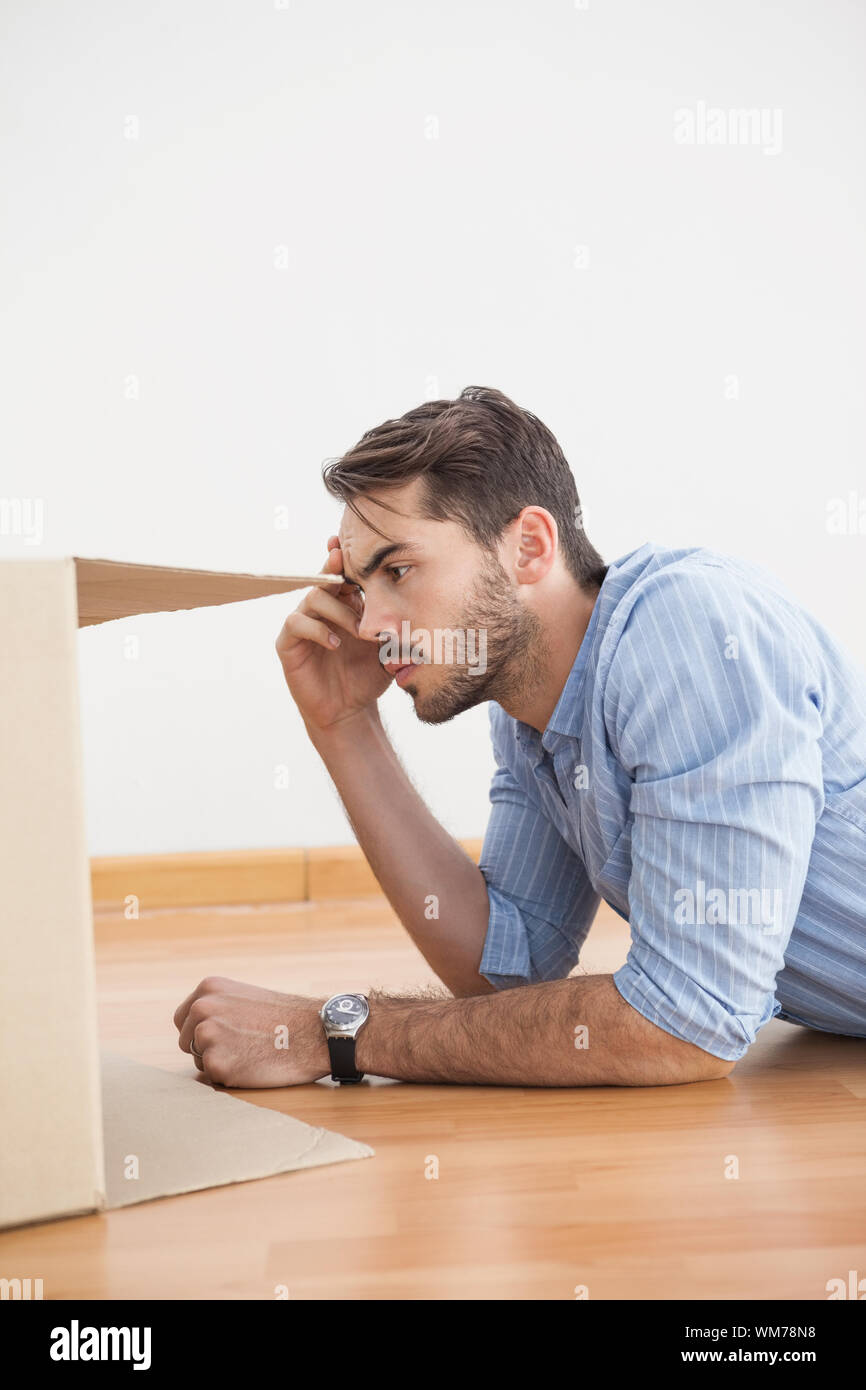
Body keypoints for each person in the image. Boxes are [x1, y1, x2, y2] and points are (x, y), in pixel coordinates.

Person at [174, 386, 866, 1088]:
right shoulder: (528, 709)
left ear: (529, 546)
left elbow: (690, 1023)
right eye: (359, 586)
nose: (368, 625)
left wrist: (336, 1033)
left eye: (398, 571)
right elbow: (505, 965)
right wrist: (344, 724)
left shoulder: (687, 633)